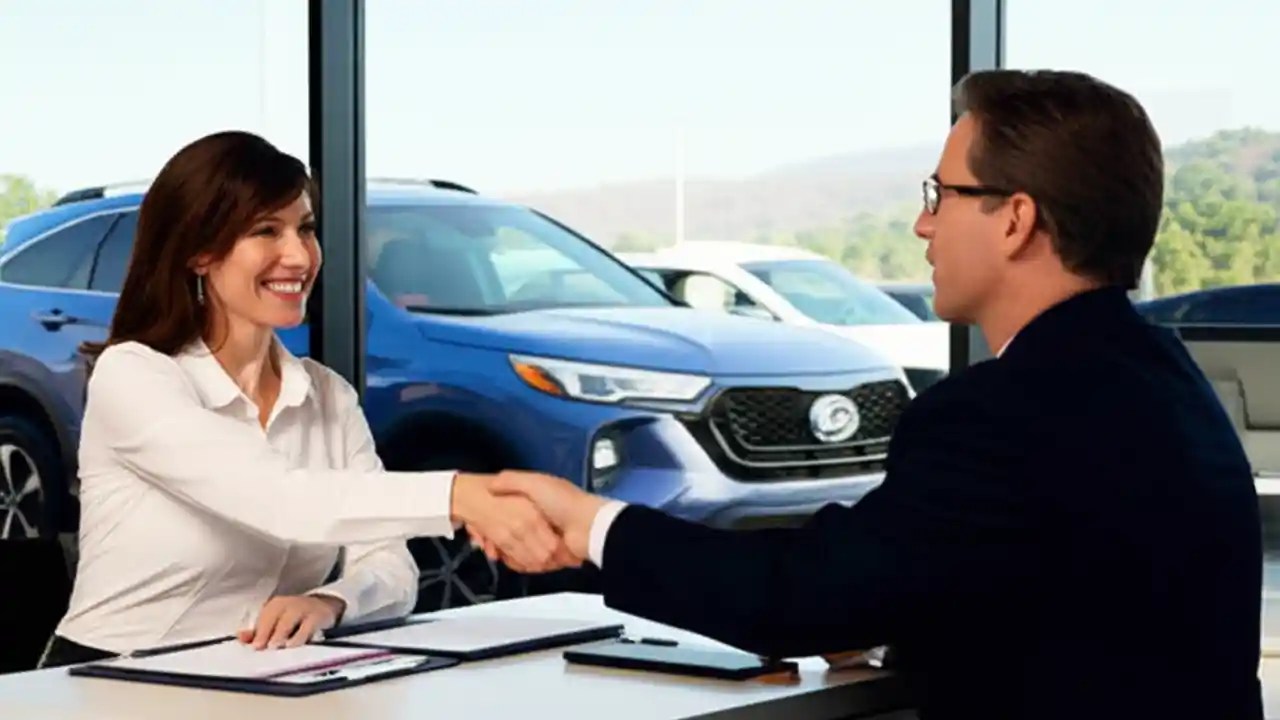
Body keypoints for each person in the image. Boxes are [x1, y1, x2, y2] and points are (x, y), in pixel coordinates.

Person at [482, 70, 1264, 719]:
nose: (923, 225)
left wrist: (591, 524)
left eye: (943, 194)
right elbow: (1071, 600)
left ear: (1016, 220)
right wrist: (898, 612)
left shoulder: (999, 413)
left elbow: (792, 600)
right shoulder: (1167, 379)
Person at [39, 131, 569, 668]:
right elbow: (277, 500)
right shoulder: (134, 375)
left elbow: (389, 562)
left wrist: (331, 602)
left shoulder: (326, 394)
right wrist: (463, 496)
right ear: (199, 253)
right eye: (266, 231)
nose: (298, 255)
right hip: (112, 676)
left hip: (258, 674)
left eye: (306, 229)